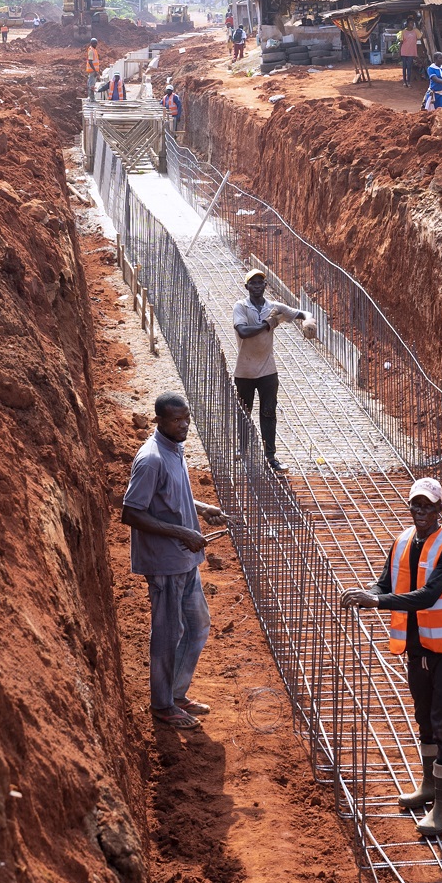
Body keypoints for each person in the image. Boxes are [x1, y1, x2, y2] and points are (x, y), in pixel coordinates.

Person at [339, 476, 442, 837]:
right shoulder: (401, 541)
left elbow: (427, 596)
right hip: (416, 651)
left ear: (440, 509)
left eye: (427, 505)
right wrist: (364, 593)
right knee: (424, 721)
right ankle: (429, 787)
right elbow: (385, 584)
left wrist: (377, 601)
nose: (420, 511)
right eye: (415, 504)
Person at [121, 393, 228, 731]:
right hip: (165, 563)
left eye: (186, 419)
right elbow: (131, 512)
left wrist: (201, 508)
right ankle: (162, 704)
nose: (184, 425)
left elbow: (172, 492)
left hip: (185, 559)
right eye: (176, 420)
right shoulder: (151, 458)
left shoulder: (174, 447)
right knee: (168, 633)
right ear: (159, 422)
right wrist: (182, 533)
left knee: (196, 625)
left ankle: (176, 693)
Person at [232, 268, 308, 472]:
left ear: (266, 286)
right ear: (247, 286)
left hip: (267, 370)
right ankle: (242, 450)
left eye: (260, 283)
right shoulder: (241, 306)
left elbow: (300, 313)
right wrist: (268, 324)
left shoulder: (274, 307)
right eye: (253, 283)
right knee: (243, 412)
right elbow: (243, 331)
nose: (257, 286)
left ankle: (270, 457)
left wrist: (309, 320)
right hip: (245, 370)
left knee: (268, 413)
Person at [399, 20, 421, 87]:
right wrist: (399, 52)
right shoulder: (403, 32)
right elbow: (401, 42)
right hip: (404, 51)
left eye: (413, 23)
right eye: (411, 23)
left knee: (409, 67)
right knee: (404, 67)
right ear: (407, 24)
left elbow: (420, 36)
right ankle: (404, 82)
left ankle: (408, 82)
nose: (412, 24)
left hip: (411, 52)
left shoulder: (415, 31)